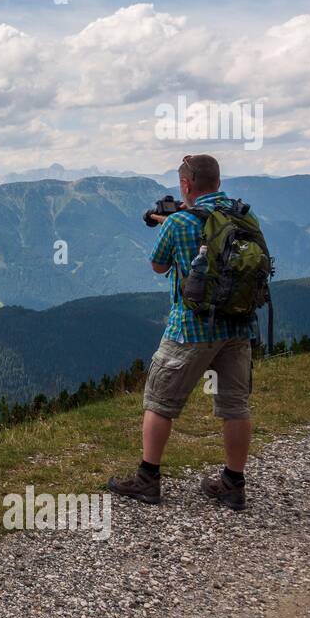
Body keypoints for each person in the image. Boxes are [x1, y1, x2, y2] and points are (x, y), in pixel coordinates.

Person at [108, 154, 254, 511]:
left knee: (159, 401)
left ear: (186, 185)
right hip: (238, 325)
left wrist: (168, 226)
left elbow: (159, 266)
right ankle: (233, 484)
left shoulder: (179, 223)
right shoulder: (244, 215)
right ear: (217, 181)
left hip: (190, 328)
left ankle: (147, 479)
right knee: (235, 405)